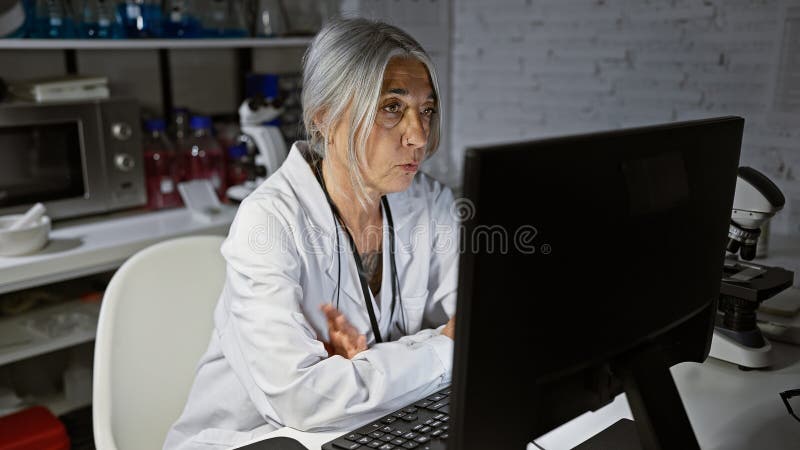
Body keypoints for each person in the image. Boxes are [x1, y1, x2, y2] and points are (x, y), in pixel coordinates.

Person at [163, 17, 458, 450]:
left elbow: (487, 324)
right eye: (391, 107)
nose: (418, 135)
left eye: (426, 109)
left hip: (373, 430)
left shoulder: (428, 201)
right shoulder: (268, 221)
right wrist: (439, 349)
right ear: (324, 116)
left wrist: (361, 373)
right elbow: (300, 400)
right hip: (255, 441)